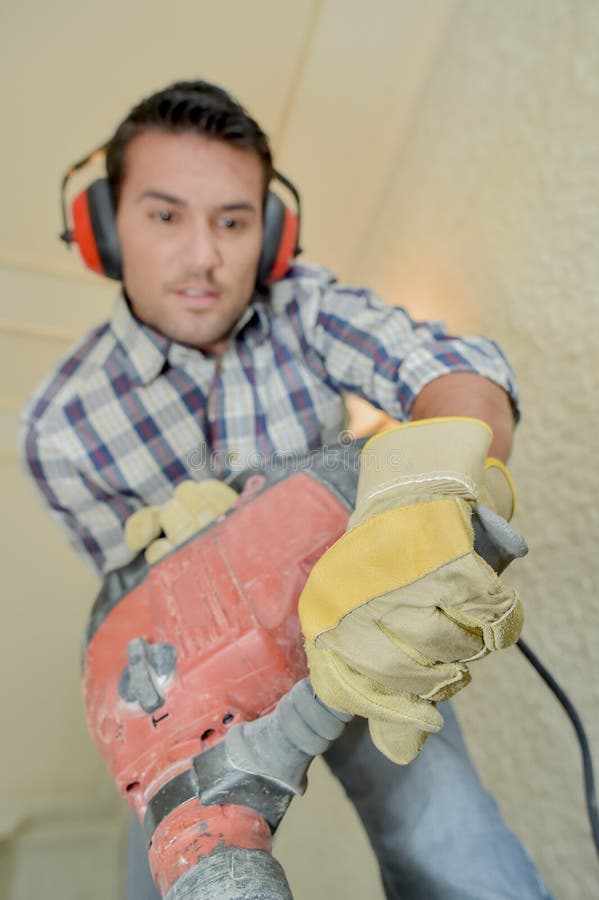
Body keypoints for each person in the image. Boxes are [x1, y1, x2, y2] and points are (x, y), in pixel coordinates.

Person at [20, 80, 552, 900]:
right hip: (197, 690)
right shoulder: (57, 427)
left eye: (232, 221)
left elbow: (461, 373)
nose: (203, 256)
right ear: (103, 229)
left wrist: (434, 496)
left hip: (359, 633)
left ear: (269, 234)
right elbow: (131, 610)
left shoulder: (304, 307)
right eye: (165, 216)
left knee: (451, 846)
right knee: (171, 877)